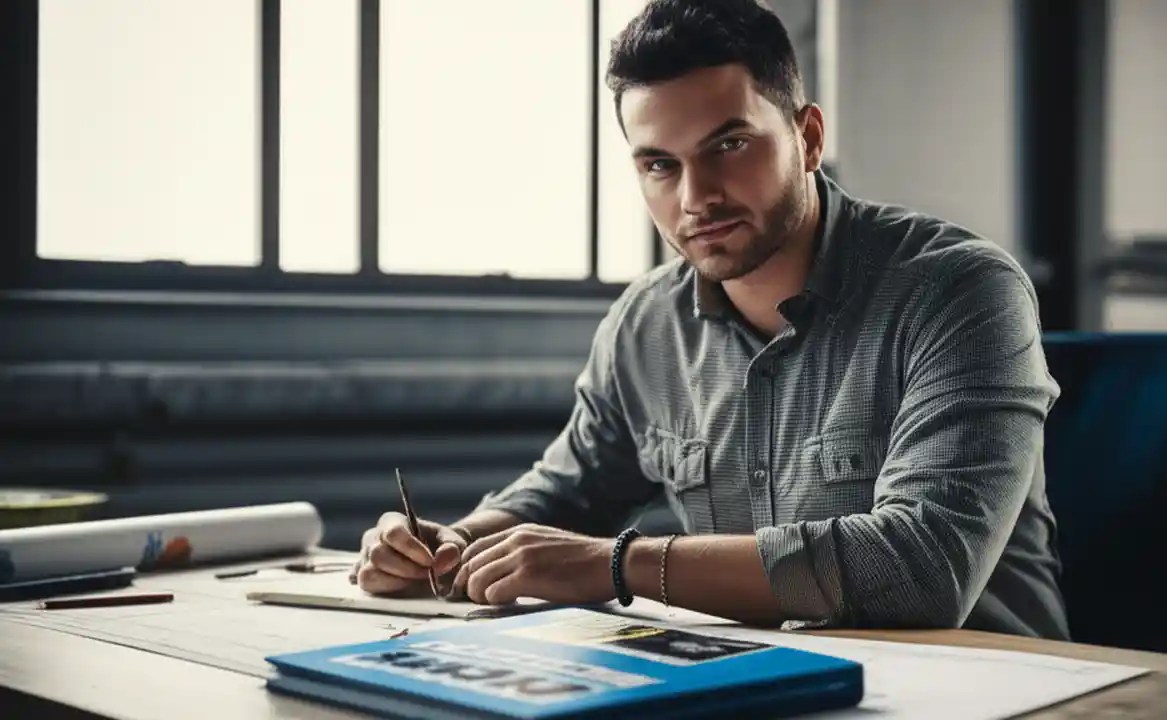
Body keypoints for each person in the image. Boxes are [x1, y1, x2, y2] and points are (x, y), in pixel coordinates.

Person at [352, 0, 1069, 639]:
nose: (697, 196)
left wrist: (620, 567)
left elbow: (921, 567)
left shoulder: (961, 291)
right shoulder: (645, 326)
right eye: (659, 165)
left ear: (808, 138)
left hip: (990, 693)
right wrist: (449, 545)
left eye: (729, 146)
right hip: (764, 686)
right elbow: (565, 494)